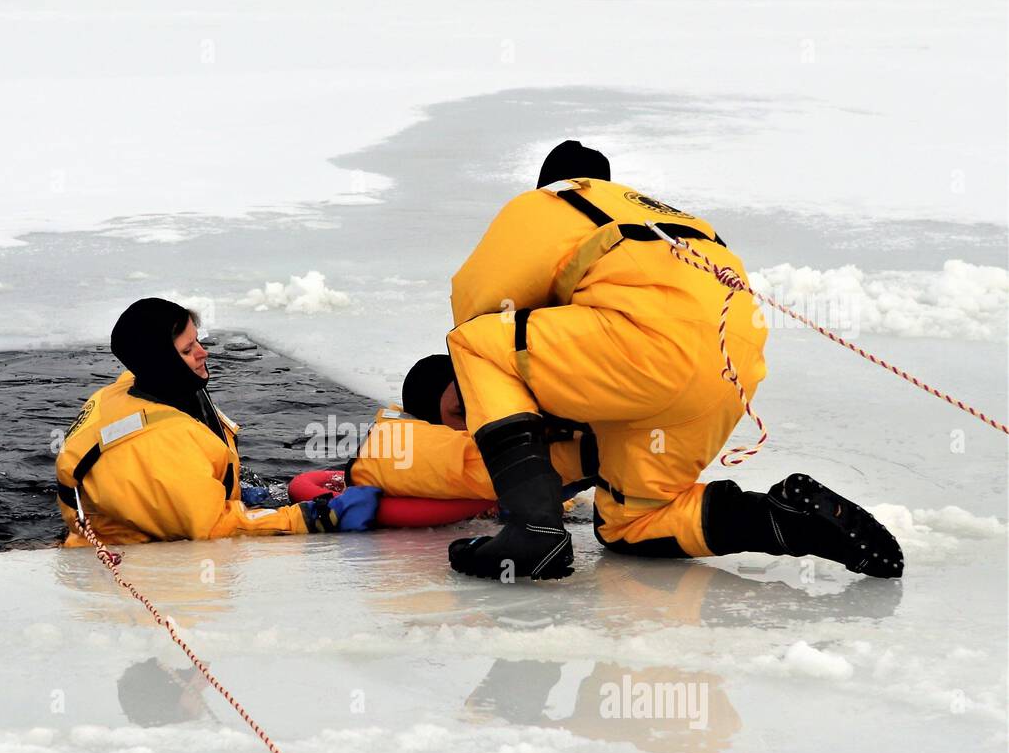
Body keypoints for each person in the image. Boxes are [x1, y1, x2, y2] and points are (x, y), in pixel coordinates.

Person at [442, 140, 904, 581]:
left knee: (475, 343)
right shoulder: (667, 216)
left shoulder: (549, 202)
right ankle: (784, 520)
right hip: (728, 368)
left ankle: (534, 526)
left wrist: (506, 416)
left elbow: (479, 305)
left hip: (647, 347)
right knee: (633, 521)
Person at [56, 297, 379, 544]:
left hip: (169, 498)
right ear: (160, 362)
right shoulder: (161, 447)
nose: (203, 353)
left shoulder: (146, 385)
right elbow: (213, 528)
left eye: (198, 341)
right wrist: (316, 517)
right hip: (138, 554)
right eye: (187, 350)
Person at [346, 353, 593, 503]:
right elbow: (482, 468)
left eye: (480, 405)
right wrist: (592, 455)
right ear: (430, 420)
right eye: (462, 412)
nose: (479, 422)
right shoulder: (398, 448)